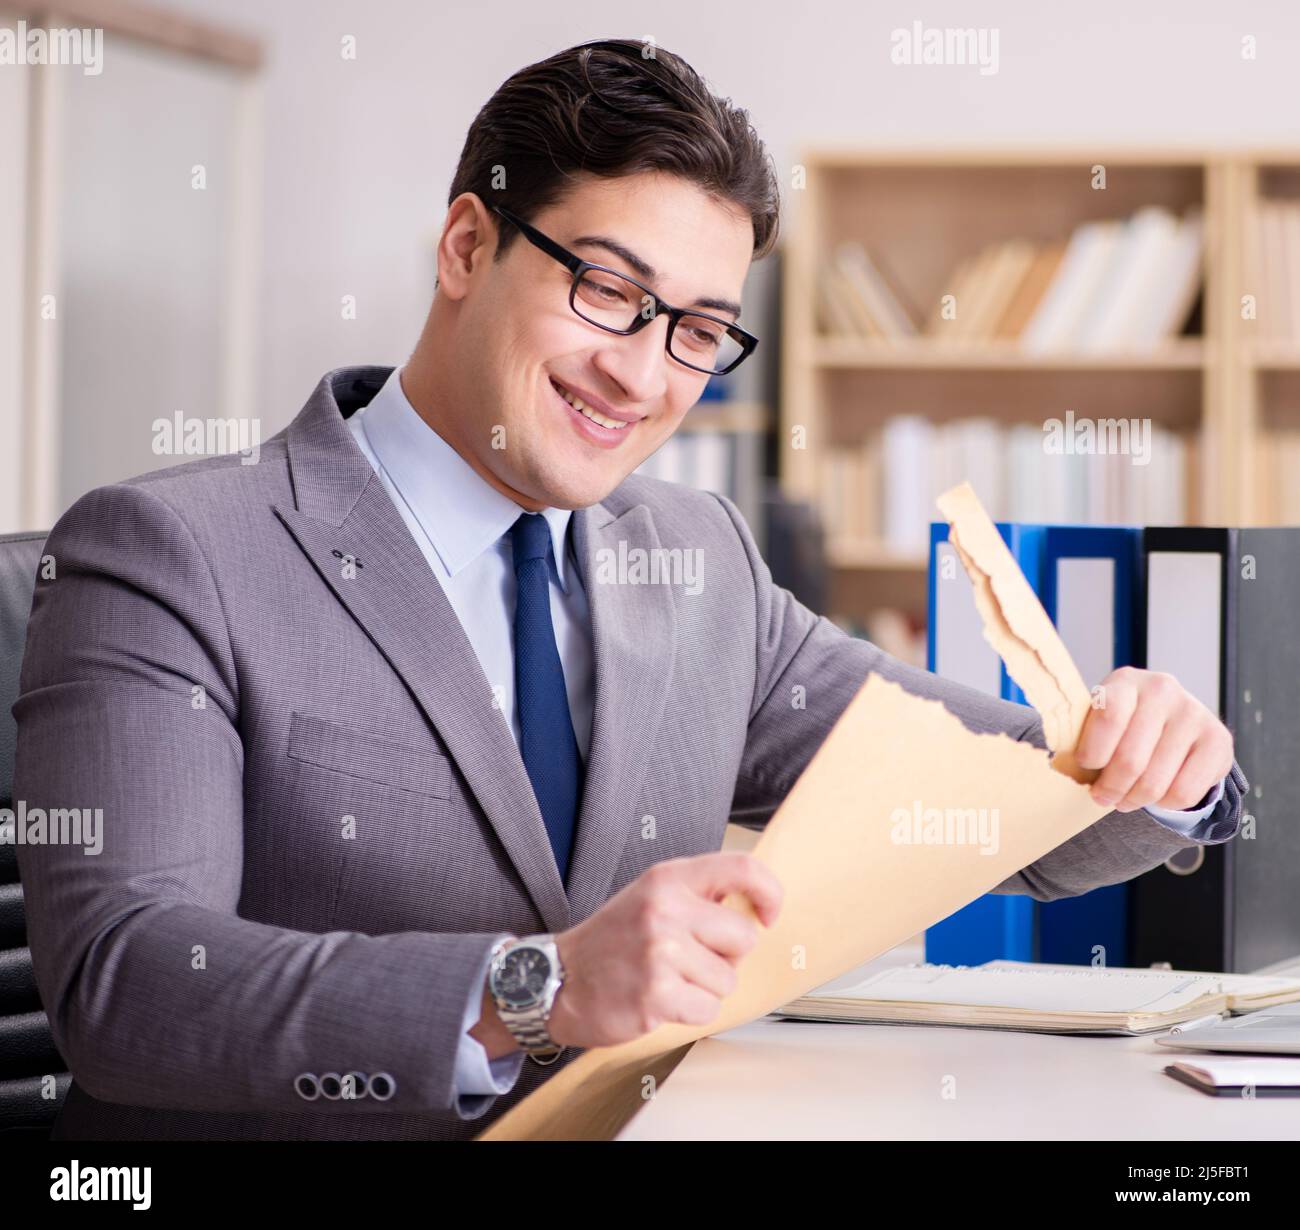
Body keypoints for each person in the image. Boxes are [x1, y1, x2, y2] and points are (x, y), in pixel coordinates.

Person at [13, 38, 1245, 1141]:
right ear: (465, 246)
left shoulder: (695, 560)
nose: (644, 373)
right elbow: (126, 987)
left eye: (699, 330)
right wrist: (535, 987)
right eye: (607, 291)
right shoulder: (170, 550)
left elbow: (998, 807)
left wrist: (1159, 769)